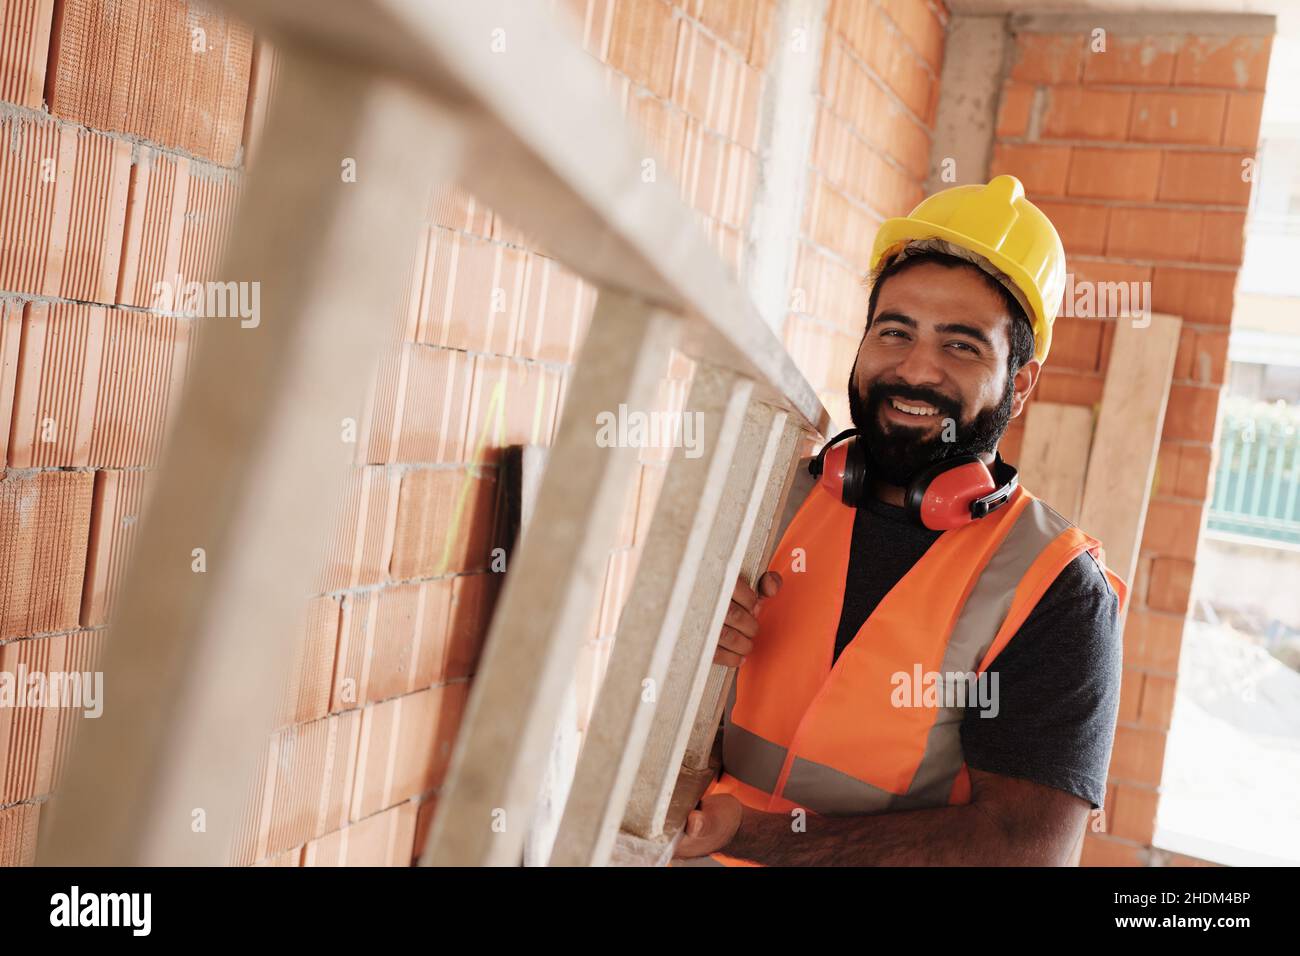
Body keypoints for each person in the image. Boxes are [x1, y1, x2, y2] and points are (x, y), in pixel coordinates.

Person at [673, 175, 1127, 866]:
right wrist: (682, 649)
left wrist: (757, 837)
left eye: (961, 345)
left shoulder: (1055, 589)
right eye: (895, 332)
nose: (916, 370)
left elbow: (1023, 852)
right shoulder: (769, 502)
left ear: (1021, 382)